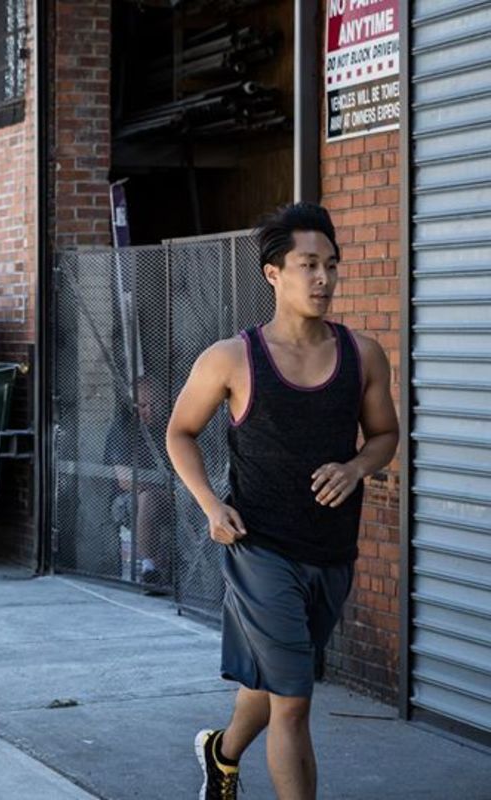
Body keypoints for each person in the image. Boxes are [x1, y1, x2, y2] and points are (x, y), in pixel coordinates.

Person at [166, 203, 398, 800]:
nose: (323, 279)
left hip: (332, 552)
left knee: (271, 686)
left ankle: (221, 752)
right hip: (258, 549)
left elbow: (385, 436)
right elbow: (179, 432)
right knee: (294, 701)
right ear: (274, 273)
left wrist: (356, 467)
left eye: (331, 266)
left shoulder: (363, 354)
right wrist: (211, 507)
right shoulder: (232, 358)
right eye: (308, 265)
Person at [102, 374, 171, 591]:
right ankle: (149, 569)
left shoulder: (170, 425)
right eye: (142, 405)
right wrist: (162, 490)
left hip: (172, 493)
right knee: (148, 499)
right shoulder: (123, 429)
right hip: (129, 499)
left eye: (154, 404)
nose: (148, 411)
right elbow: (125, 481)